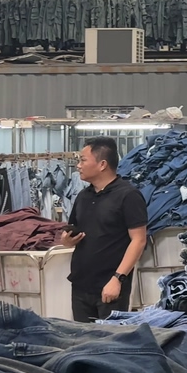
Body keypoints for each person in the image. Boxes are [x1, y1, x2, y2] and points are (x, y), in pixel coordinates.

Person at [61, 136, 148, 323]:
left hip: (110, 287)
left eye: (83, 160)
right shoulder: (84, 196)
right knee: (83, 342)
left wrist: (118, 278)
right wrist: (67, 241)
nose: (78, 165)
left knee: (110, 344)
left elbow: (139, 240)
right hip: (81, 285)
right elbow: (74, 228)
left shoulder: (128, 196)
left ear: (102, 164)